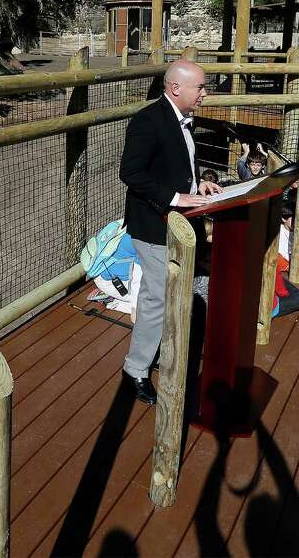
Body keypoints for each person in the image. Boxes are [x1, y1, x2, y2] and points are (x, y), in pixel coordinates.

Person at [119, 59, 221, 405]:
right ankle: (135, 368)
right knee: (156, 297)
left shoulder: (184, 121)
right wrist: (177, 197)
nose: (205, 93)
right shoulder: (148, 120)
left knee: (173, 291)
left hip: (180, 222)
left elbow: (178, 168)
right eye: (201, 87)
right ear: (176, 88)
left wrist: (200, 184)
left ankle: (159, 351)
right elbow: (131, 173)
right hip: (154, 224)